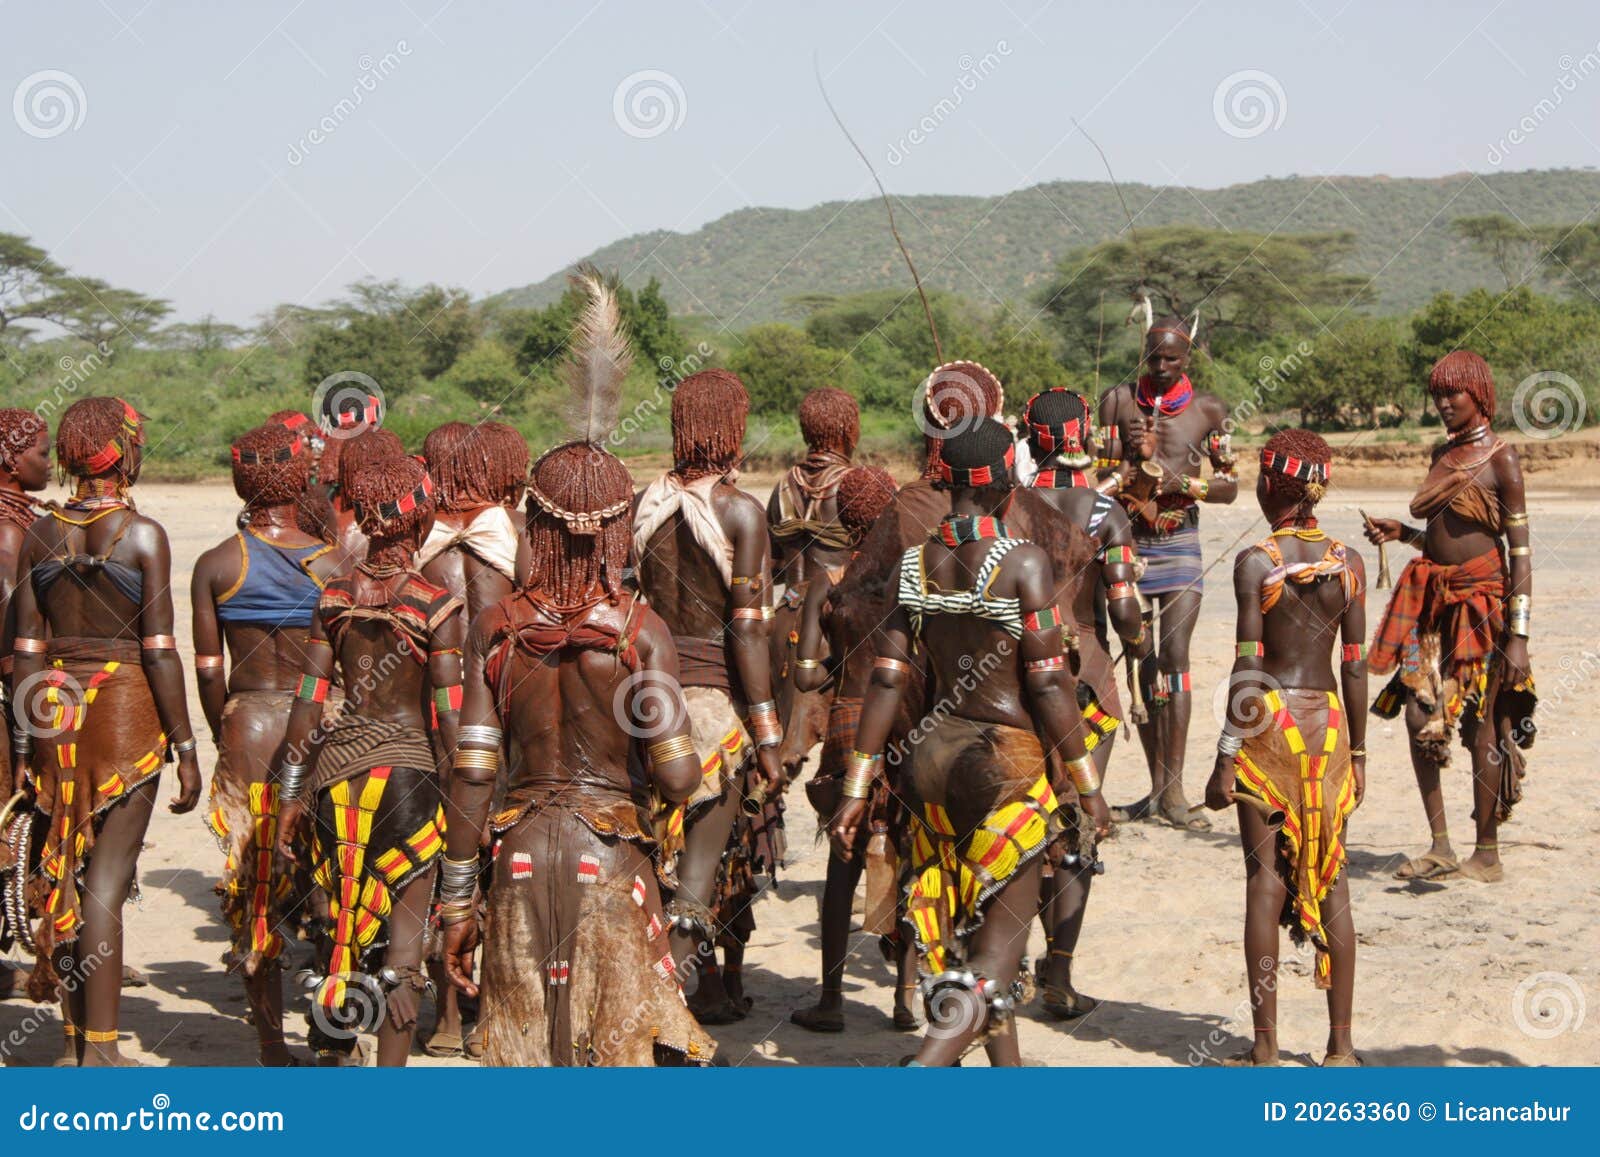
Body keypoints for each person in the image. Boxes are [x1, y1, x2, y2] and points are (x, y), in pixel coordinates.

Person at [440, 275, 715, 1063]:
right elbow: (679, 779)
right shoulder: (637, 632)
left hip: (515, 854)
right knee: (613, 1060)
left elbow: (469, 775)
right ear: (617, 527)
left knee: (526, 1060)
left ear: (537, 524)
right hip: (611, 859)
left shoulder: (496, 627)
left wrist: (458, 898)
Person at [831, 418, 1111, 1066]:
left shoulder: (915, 563)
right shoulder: (1025, 563)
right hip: (1002, 769)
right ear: (1009, 489)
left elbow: (888, 677)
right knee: (992, 961)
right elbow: (1047, 684)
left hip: (927, 769)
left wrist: (855, 787)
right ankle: (925, 1070)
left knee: (964, 950)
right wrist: (1087, 785)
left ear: (946, 482)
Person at [11, 396, 203, 1066]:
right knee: (106, 881)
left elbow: (26, 647)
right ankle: (100, 1051)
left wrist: (23, 740)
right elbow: (158, 649)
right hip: (123, 711)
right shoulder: (143, 534)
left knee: (66, 863)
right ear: (124, 452)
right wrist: (185, 746)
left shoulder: (39, 534)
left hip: (52, 710)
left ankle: (73, 1042)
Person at [275, 455, 465, 1066]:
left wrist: (290, 795)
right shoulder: (437, 606)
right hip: (410, 783)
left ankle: (333, 1058)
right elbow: (448, 720)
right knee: (403, 948)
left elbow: (307, 705)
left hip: (335, 780)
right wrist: (465, 805)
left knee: (340, 923)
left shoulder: (332, 597)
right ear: (421, 519)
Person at [1205, 429, 1366, 1066]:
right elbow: (1355, 667)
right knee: (1333, 879)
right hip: (1327, 725)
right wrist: (1358, 756)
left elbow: (1249, 667)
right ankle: (1341, 1047)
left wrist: (1224, 752)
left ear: (1274, 486)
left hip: (1270, 721)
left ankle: (1266, 1049)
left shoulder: (1256, 562)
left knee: (1264, 882)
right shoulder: (1348, 563)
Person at [632, 368, 785, 1023]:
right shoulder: (740, 511)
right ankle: (668, 1022)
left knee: (647, 865)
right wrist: (768, 732)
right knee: (696, 874)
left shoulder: (645, 504)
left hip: (641, 701)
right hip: (713, 710)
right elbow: (749, 636)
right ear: (732, 430)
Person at [191, 423, 338, 1066]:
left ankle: (271, 1042)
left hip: (247, 723)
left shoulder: (217, 564)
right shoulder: (335, 562)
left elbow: (206, 668)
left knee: (256, 884)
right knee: (335, 872)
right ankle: (335, 1027)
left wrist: (222, 722)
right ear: (302, 480)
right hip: (323, 724)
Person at [1364, 351, 1534, 884]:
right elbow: (1444, 540)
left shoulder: (1502, 459)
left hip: (1482, 605)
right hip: (1434, 603)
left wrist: (1520, 637)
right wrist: (1403, 533)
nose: (1442, 404)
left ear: (1478, 394)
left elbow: (1520, 552)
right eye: (1436, 395)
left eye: (1451, 395)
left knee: (1483, 728)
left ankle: (1486, 853)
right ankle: (1440, 844)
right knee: (1419, 718)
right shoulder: (1442, 455)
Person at [1018, 387, 1145, 1018]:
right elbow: (1123, 607)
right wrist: (1141, 640)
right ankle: (1059, 975)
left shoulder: (1007, 507)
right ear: (1084, 437)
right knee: (1073, 821)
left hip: (1013, 679)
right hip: (1089, 683)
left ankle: (1005, 959)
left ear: (1032, 436)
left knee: (1016, 817)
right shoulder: (1105, 512)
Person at [786, 464, 920, 1033]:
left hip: (847, 724)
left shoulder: (831, 579)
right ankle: (907, 996)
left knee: (842, 861)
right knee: (913, 857)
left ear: (843, 515)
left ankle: (833, 1000)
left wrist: (835, 665)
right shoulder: (912, 572)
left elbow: (808, 673)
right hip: (908, 721)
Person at [414, 418, 529, 1058]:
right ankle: (496, 1008)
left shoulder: (415, 538)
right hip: (501, 715)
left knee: (443, 864)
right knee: (503, 858)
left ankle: (446, 1017)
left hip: (434, 719)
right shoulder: (512, 533)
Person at [1097, 316, 1238, 829]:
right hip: (1127, 543)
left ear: (1188, 359)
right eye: (1153, 357)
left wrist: (1180, 481)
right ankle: (1157, 790)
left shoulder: (1209, 412)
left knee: (1174, 659)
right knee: (1142, 660)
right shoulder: (1117, 402)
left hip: (1180, 544)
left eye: (1171, 359)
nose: (1160, 367)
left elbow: (1230, 487)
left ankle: (1174, 792)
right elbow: (1095, 474)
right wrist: (1129, 462)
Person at [768, 388, 859, 776]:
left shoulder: (783, 486)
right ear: (846, 431)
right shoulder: (856, 486)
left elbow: (772, 565)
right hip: (830, 623)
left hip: (785, 613)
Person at [0, 408, 50, 1001]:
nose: (48, 460)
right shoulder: (10, 531)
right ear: (11, 459)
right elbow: (17, 634)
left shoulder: (19, 522)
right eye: (39, 450)